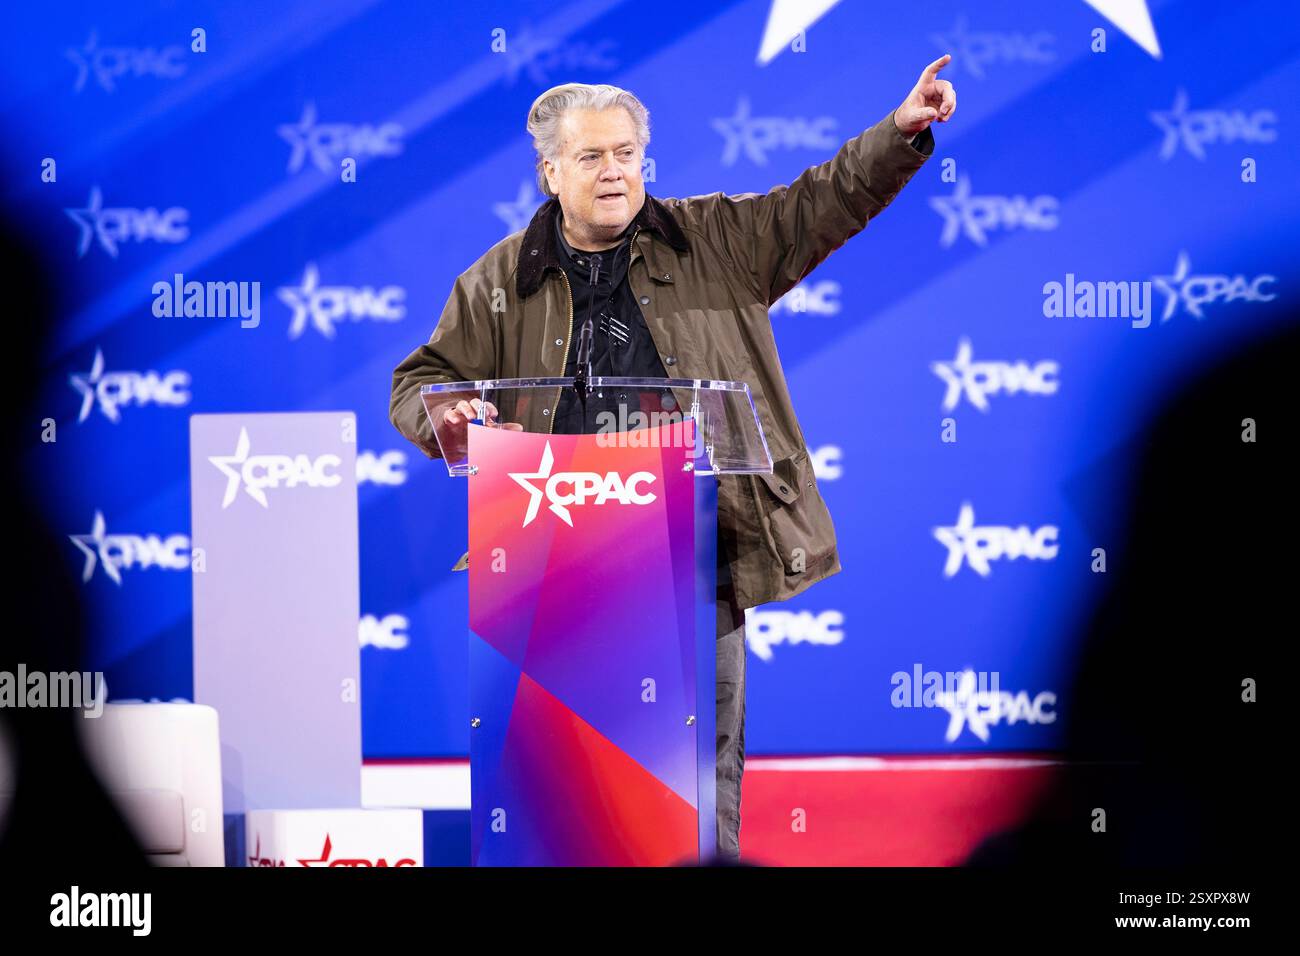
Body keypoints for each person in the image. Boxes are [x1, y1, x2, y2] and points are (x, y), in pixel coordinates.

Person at [390, 61, 956, 860]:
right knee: (561, 779)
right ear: (551, 172)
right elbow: (419, 380)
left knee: (698, 772)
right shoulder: (499, 279)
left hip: (694, 558)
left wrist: (899, 134)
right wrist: (450, 414)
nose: (615, 171)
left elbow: (822, 202)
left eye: (627, 152)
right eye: (591, 157)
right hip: (554, 564)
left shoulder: (715, 239)